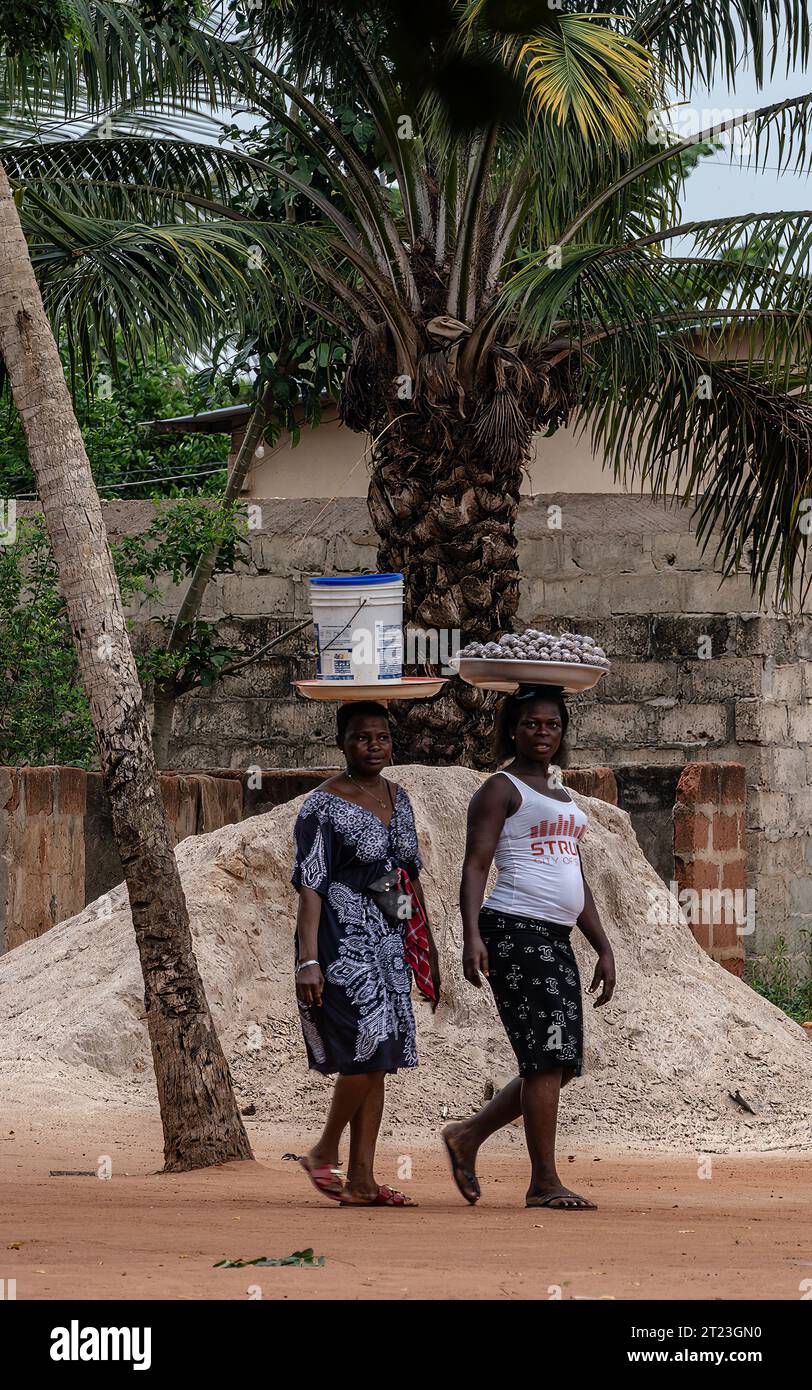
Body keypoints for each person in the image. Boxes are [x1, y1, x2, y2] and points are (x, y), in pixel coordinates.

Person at [444, 684, 616, 1211]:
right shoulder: (500, 788)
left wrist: (603, 947)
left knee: (559, 1062)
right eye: (532, 724)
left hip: (555, 936)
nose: (543, 733)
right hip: (513, 929)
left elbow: (575, 876)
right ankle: (544, 1182)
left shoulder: (562, 797)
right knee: (545, 1059)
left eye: (553, 725)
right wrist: (471, 933)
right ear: (513, 730)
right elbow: (476, 865)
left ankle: (467, 1135)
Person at [293, 700, 440, 1207]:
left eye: (380, 737)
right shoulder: (321, 805)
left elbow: (400, 878)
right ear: (341, 743)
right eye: (360, 737)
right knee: (364, 1048)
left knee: (380, 1058)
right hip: (340, 938)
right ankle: (324, 1150)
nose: (372, 746)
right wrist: (308, 960)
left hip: (386, 938)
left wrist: (424, 946)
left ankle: (361, 1179)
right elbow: (310, 885)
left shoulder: (399, 797)